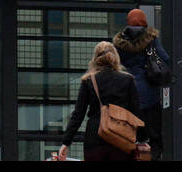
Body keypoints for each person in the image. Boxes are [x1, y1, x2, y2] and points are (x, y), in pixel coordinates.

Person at [57, 41, 145, 161]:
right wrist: (142, 139)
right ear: (115, 58)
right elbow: (137, 112)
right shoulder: (127, 80)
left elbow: (78, 115)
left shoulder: (88, 81)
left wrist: (66, 143)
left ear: (95, 59)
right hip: (121, 139)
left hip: (95, 139)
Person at [113, 8, 170, 160]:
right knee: (153, 134)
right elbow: (165, 58)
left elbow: (114, 64)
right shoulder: (150, 39)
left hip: (127, 93)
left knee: (131, 134)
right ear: (144, 21)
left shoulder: (120, 42)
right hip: (149, 92)